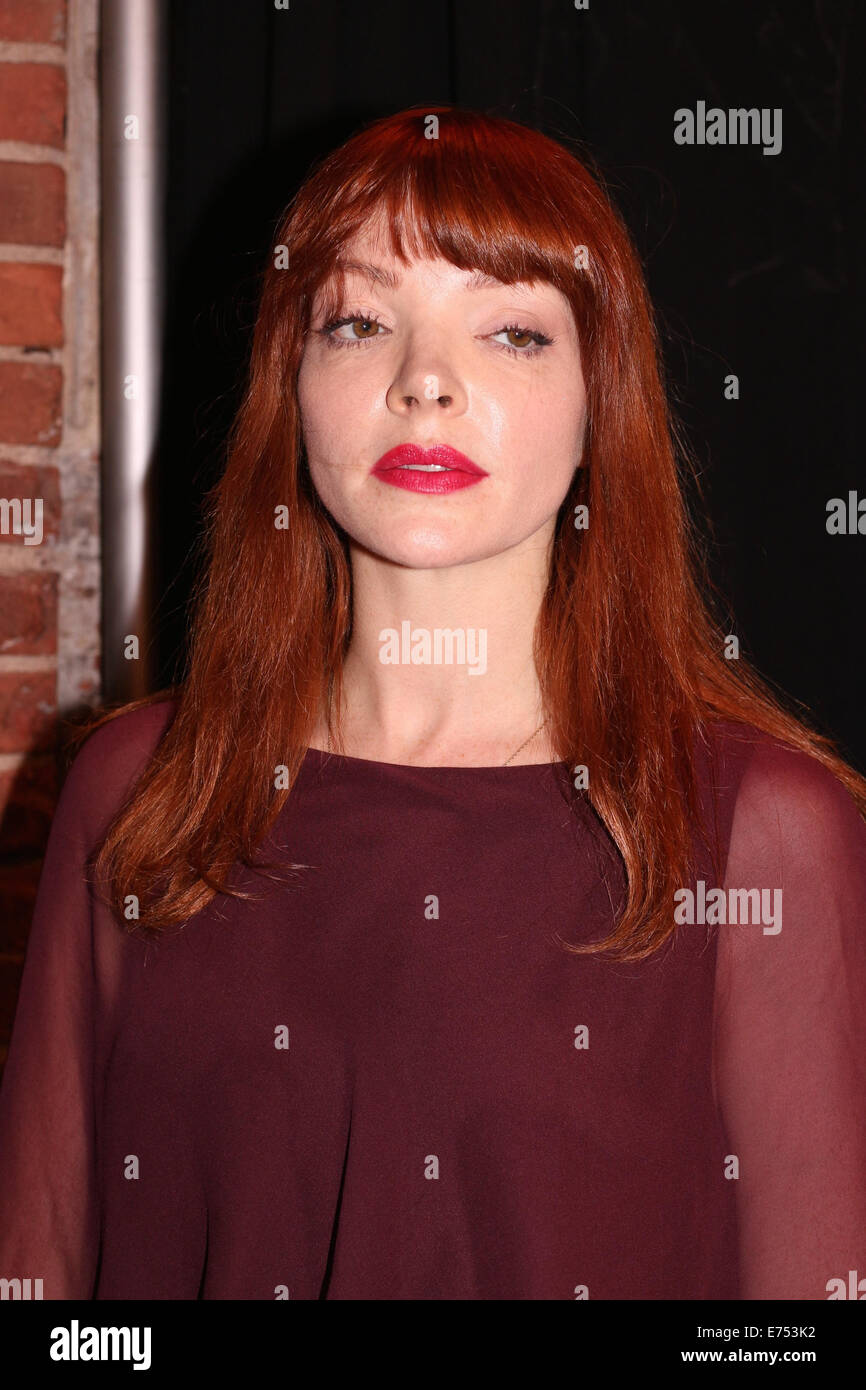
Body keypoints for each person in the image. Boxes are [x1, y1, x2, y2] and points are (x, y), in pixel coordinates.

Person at [1, 104, 865, 1301]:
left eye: (509, 332)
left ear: (596, 405)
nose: (424, 384)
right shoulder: (137, 790)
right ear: (288, 385)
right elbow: (40, 1280)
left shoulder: (756, 826)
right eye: (359, 323)